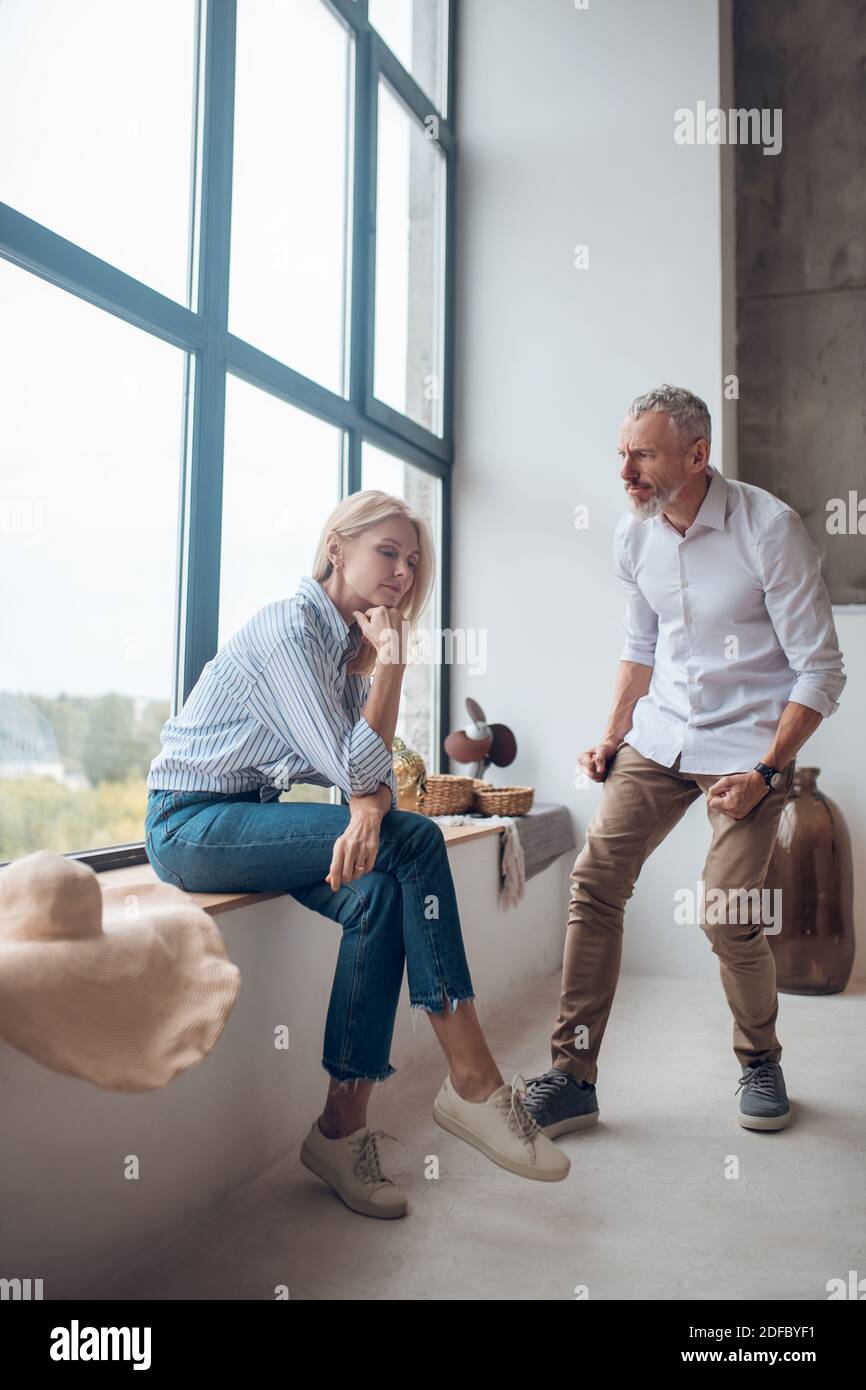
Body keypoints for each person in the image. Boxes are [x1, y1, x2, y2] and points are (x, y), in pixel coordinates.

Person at [145, 489, 569, 1219]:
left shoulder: (340, 647)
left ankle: (341, 1130)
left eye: (411, 561)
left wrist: (368, 799)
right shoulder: (290, 634)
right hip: (190, 827)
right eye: (388, 552)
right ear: (335, 548)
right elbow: (358, 774)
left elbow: (363, 781)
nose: (403, 571)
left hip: (250, 815)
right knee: (417, 839)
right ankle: (473, 1080)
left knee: (377, 893)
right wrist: (395, 668)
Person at [523, 385, 846, 1138]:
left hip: (750, 752)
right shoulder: (633, 537)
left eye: (644, 455)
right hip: (660, 737)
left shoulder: (769, 530)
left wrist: (769, 772)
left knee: (725, 913)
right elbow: (641, 648)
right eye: (622, 454)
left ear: (697, 456)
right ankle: (572, 1078)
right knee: (595, 882)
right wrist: (611, 735)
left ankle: (760, 1059)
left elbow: (821, 671)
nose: (626, 472)